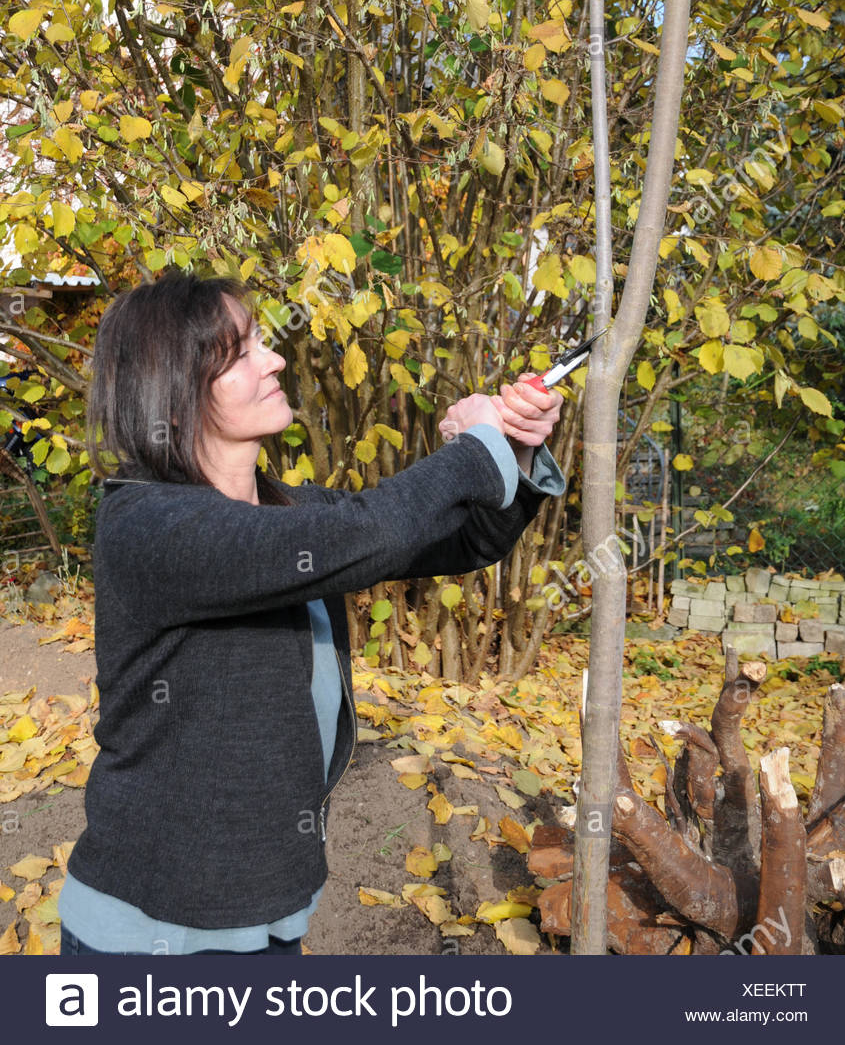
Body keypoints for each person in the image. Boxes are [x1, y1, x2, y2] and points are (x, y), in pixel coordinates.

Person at [57, 268, 565, 954]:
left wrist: (515, 447)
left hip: (269, 912)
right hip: (159, 932)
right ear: (170, 396)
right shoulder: (149, 527)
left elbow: (462, 539)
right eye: (240, 353)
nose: (275, 359)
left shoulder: (290, 511)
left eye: (262, 341)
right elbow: (365, 530)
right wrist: (472, 452)